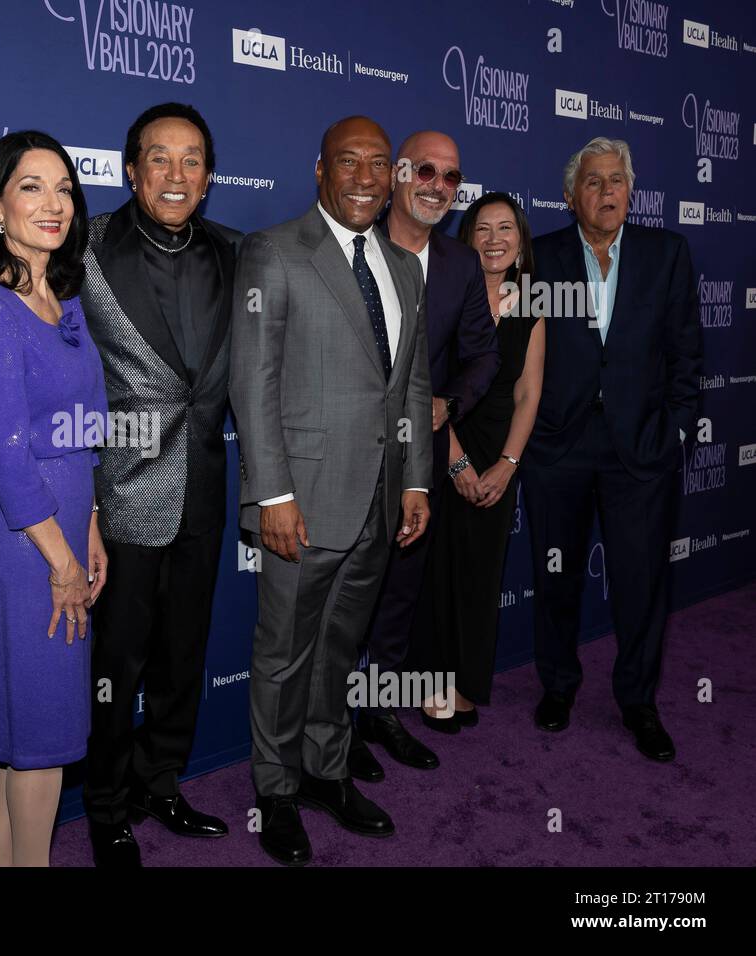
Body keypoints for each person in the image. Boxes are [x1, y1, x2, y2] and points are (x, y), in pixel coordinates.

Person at [230, 116, 433, 866]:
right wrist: (272, 495)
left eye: (378, 164)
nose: (363, 177)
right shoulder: (275, 252)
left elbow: (411, 384)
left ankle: (325, 769)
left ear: (394, 179)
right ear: (320, 170)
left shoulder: (406, 267)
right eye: (347, 162)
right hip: (303, 501)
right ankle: (276, 790)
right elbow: (252, 383)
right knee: (284, 653)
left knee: (338, 649)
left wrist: (415, 479)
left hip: (379, 499)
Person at [78, 103, 239, 867]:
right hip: (120, 494)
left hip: (205, 488)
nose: (177, 175)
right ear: (131, 169)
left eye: (192, 160)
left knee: (183, 656)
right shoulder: (82, 246)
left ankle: (160, 781)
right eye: (160, 159)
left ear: (208, 178)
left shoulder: (238, 254)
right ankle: (105, 805)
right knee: (116, 666)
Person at [0, 131, 109, 867]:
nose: (54, 203)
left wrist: (93, 530)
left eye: (65, 188)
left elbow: (85, 431)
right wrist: (62, 560)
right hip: (25, 543)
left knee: (27, 736)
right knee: (38, 738)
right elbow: (8, 454)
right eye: (32, 187)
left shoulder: (62, 301)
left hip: (66, 530)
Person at [524, 137, 701, 761]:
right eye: (593, 182)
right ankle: (558, 686)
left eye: (616, 181)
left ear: (631, 191)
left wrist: (676, 428)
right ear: (571, 197)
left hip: (641, 447)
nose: (606, 192)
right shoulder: (539, 256)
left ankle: (638, 701)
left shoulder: (666, 253)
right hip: (557, 447)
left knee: (641, 582)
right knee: (555, 576)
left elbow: (686, 354)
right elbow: (517, 353)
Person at [353, 130, 499, 777]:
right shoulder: (352, 248)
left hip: (420, 464)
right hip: (348, 461)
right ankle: (331, 730)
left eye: (451, 178)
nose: (438, 186)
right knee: (339, 604)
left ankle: (380, 713)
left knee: (398, 599)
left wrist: (448, 405)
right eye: (426, 171)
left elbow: (483, 354)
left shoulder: (462, 265)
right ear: (398, 173)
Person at [409, 192, 544, 729]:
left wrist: (508, 464)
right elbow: (425, 386)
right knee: (432, 572)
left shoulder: (534, 300)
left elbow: (529, 392)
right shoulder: (442, 295)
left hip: (500, 456)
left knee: (480, 578)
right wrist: (456, 462)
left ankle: (466, 683)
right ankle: (429, 686)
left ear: (520, 239)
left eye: (505, 228)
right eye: (482, 229)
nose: (494, 240)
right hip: (440, 446)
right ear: (466, 241)